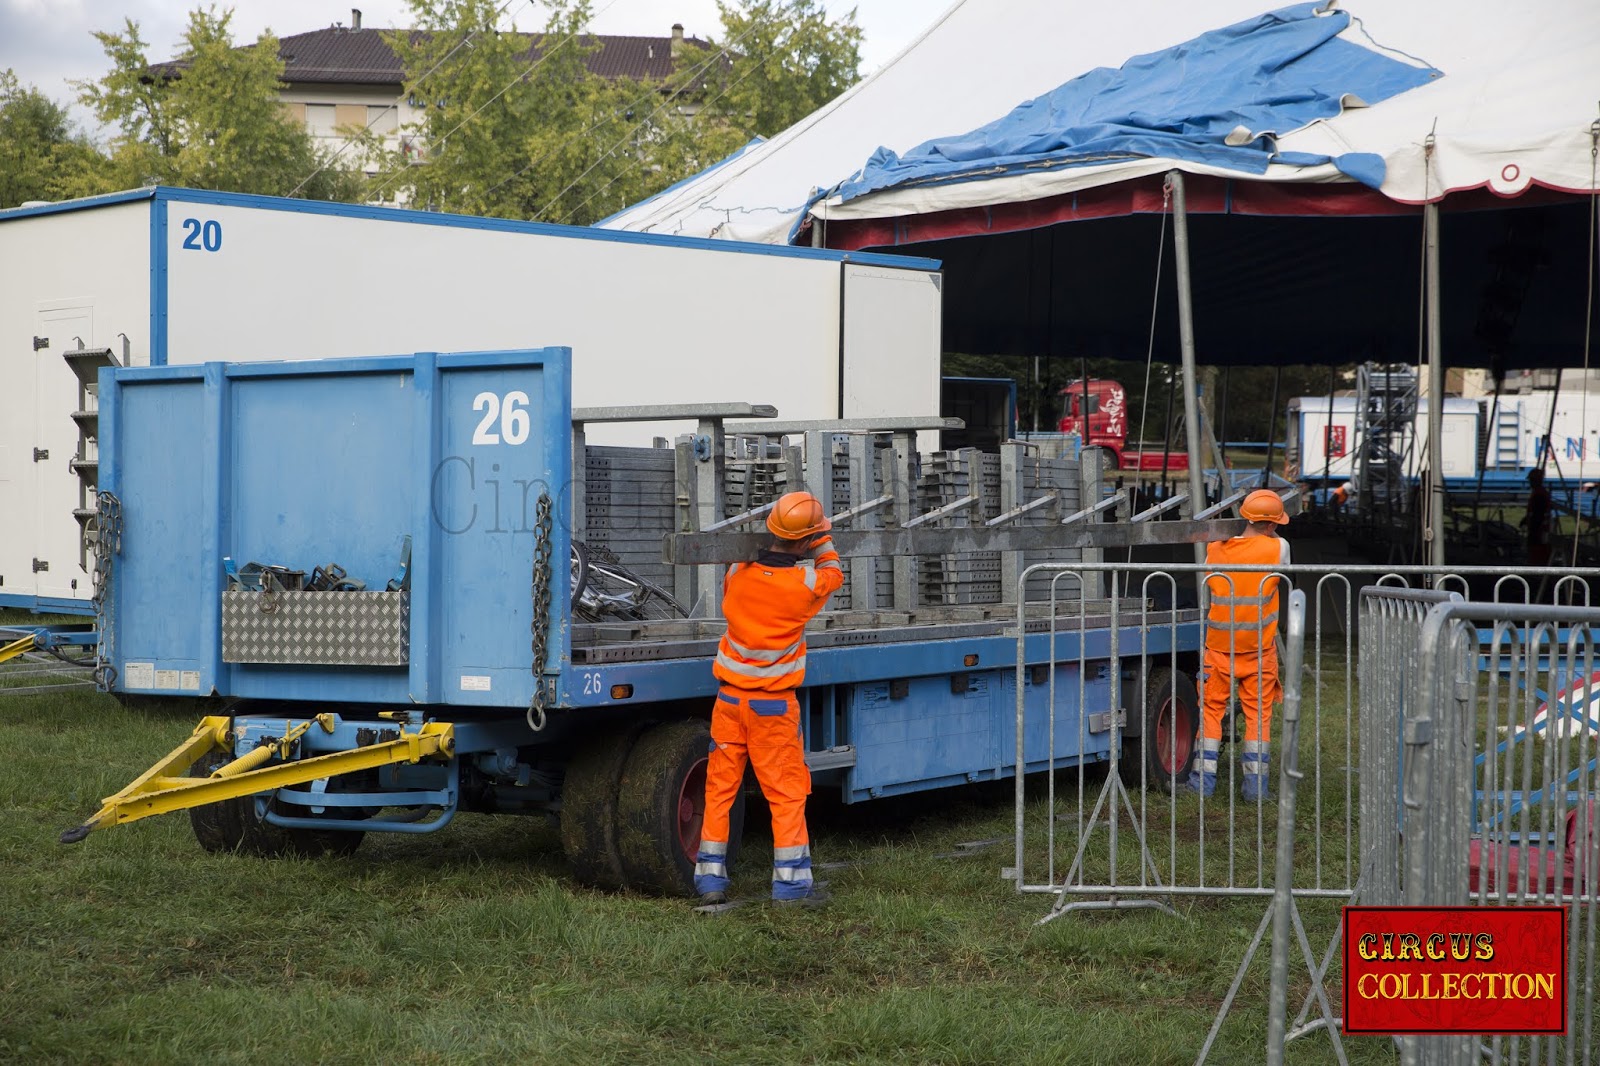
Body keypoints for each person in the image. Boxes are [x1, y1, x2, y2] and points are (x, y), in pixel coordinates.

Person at [695, 491, 843, 907]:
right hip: (772, 708)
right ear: (805, 541)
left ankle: (709, 880)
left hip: (728, 703)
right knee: (785, 793)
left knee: (720, 790)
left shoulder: (736, 576)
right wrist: (822, 540)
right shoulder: (804, 587)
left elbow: (747, 558)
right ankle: (792, 885)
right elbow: (832, 570)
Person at [1191, 489, 1291, 803]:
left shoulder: (1216, 548)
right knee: (1258, 718)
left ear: (1246, 515)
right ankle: (1255, 790)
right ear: (1273, 524)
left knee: (1209, 714)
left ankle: (1201, 785)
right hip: (1259, 651)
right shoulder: (1278, 548)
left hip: (1218, 649)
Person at [1523, 468, 1553, 566]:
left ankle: (1537, 571)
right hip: (1539, 529)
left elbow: (1537, 514)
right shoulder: (1540, 493)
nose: (1530, 483)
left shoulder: (1539, 494)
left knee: (1538, 551)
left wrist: (1531, 528)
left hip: (1538, 530)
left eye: (1532, 480)